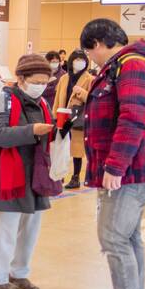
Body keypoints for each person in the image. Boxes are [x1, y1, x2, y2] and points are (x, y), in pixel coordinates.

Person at [77, 18, 145, 289]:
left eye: (91, 53)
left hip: (130, 170)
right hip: (131, 168)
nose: (92, 60)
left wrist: (115, 165)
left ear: (99, 43)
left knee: (114, 238)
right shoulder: (123, 66)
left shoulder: (131, 67)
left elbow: (133, 116)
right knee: (128, 240)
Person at [0, 54, 58, 289]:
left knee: (31, 228)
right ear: (21, 78)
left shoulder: (44, 104)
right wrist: (32, 131)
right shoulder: (0, 99)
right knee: (6, 228)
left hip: (36, 174)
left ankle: (19, 272)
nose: (41, 86)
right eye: (36, 81)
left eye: (45, 82)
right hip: (10, 174)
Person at [50, 49, 94, 189]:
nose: (79, 63)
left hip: (77, 118)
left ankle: (75, 177)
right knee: (60, 147)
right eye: (76, 60)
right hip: (63, 116)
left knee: (76, 150)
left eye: (82, 60)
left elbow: (92, 100)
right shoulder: (64, 78)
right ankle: (60, 176)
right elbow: (58, 99)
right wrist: (54, 116)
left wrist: (82, 93)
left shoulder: (90, 79)